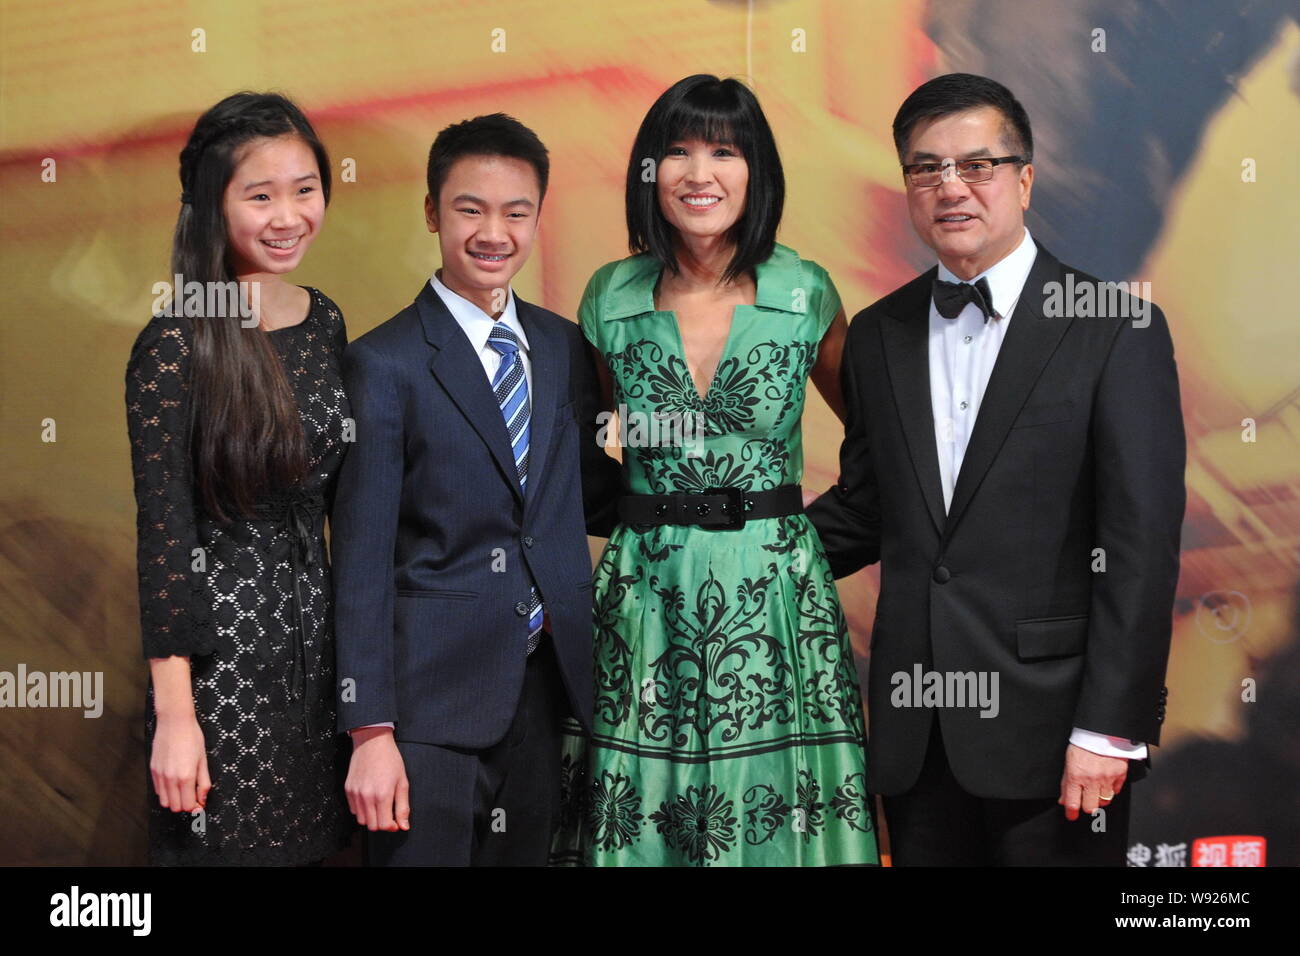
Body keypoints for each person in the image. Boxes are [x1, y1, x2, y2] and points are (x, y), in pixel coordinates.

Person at [807, 73, 1186, 865]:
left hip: (1057, 741)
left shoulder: (1115, 327)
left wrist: (1108, 730)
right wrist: (719, 549)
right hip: (916, 739)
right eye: (926, 168)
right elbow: (867, 511)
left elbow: (1140, 547)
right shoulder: (878, 335)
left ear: (1024, 179)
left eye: (976, 165)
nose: (951, 188)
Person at [552, 75, 880, 866]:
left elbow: (879, 445)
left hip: (778, 605)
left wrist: (799, 544)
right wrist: (636, 533)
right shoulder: (609, 295)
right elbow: (582, 446)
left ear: (755, 172)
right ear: (649, 173)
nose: (700, 173)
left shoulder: (805, 291)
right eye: (679, 152)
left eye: (724, 152)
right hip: (644, 600)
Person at [332, 114, 621, 866]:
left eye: (515, 212)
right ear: (432, 212)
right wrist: (369, 730)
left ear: (536, 216)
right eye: (470, 209)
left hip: (544, 689)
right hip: (424, 705)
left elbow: (587, 496)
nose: (494, 232)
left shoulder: (562, 346)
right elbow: (359, 558)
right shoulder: (384, 362)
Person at [125, 92, 354, 865]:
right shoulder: (173, 344)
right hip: (219, 679)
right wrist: (176, 717)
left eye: (304, 189)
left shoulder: (325, 320)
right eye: (260, 196)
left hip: (318, 666)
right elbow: (164, 537)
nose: (288, 216)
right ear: (210, 204)